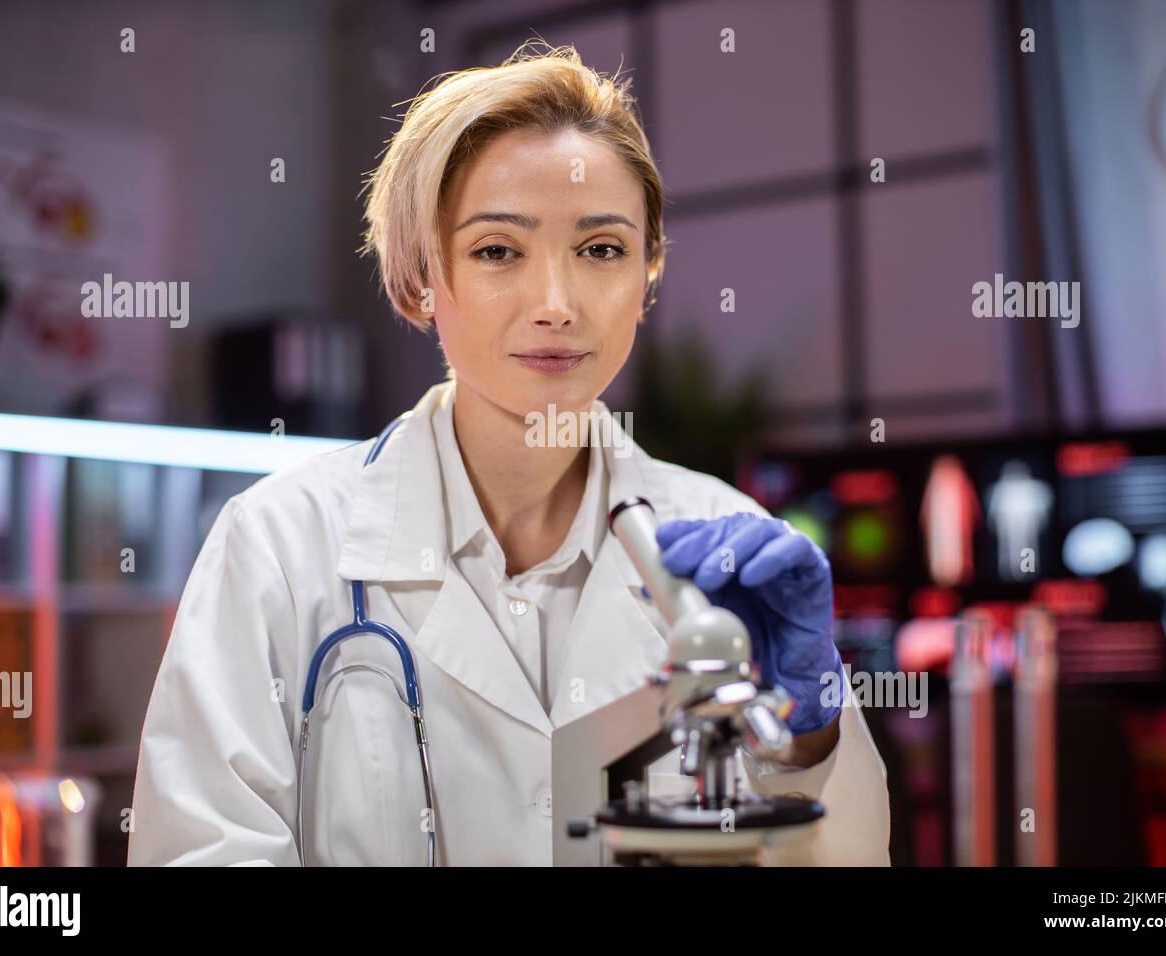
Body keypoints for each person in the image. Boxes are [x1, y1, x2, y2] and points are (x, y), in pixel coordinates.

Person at [128, 42, 890, 866]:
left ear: (650, 271)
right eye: (498, 250)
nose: (556, 305)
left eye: (601, 250)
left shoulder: (724, 536)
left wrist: (807, 742)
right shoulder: (277, 547)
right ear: (423, 277)